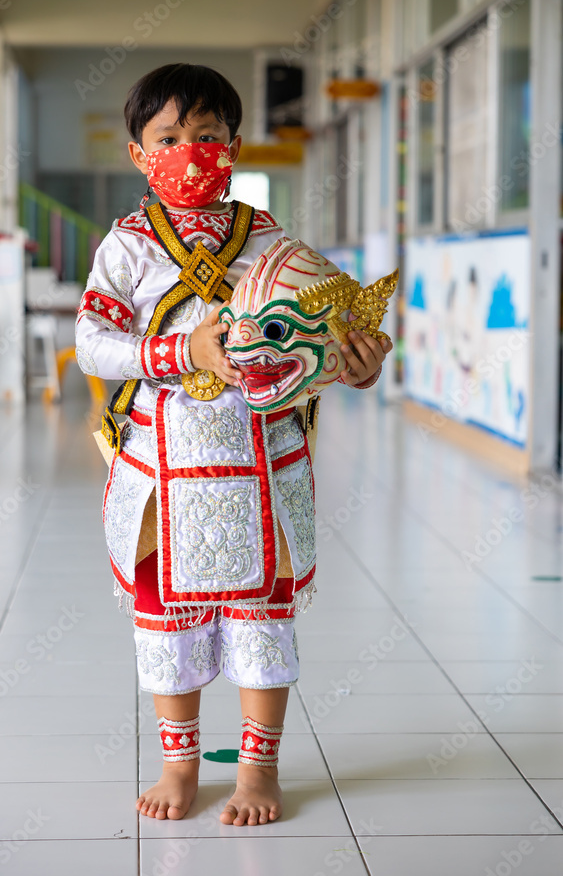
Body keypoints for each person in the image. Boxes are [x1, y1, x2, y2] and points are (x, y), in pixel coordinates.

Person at [75, 63, 391, 827]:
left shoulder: (276, 243)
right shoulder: (126, 250)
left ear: (235, 146)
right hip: (159, 468)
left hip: (261, 462)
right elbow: (92, 344)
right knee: (164, 617)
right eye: (169, 138)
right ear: (137, 154)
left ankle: (258, 769)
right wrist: (183, 354)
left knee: (261, 617)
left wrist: (360, 361)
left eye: (206, 136)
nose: (189, 151)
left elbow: (330, 336)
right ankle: (179, 764)